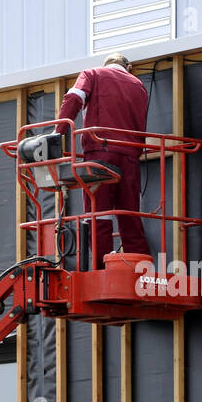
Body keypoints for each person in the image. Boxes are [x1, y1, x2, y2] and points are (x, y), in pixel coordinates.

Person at [56, 53, 150, 269]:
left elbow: (74, 99)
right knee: (129, 215)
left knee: (99, 214)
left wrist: (57, 133)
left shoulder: (93, 74)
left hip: (100, 151)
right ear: (129, 67)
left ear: (106, 64)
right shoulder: (139, 85)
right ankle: (142, 268)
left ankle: (103, 269)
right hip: (131, 155)